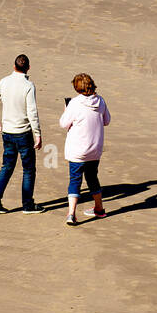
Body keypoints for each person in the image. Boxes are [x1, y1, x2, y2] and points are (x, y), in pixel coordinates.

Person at [0, 54, 42, 213]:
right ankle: (27, 205)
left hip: (7, 133)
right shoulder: (28, 85)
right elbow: (32, 112)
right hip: (23, 133)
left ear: (14, 66)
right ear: (28, 68)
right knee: (29, 169)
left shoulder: (4, 82)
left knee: (7, 167)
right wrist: (37, 134)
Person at [60, 73, 111, 225]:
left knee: (75, 180)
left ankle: (71, 214)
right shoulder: (100, 101)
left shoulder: (74, 103)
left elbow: (63, 123)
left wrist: (66, 109)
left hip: (77, 150)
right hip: (94, 149)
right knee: (92, 178)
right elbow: (107, 121)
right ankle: (99, 208)